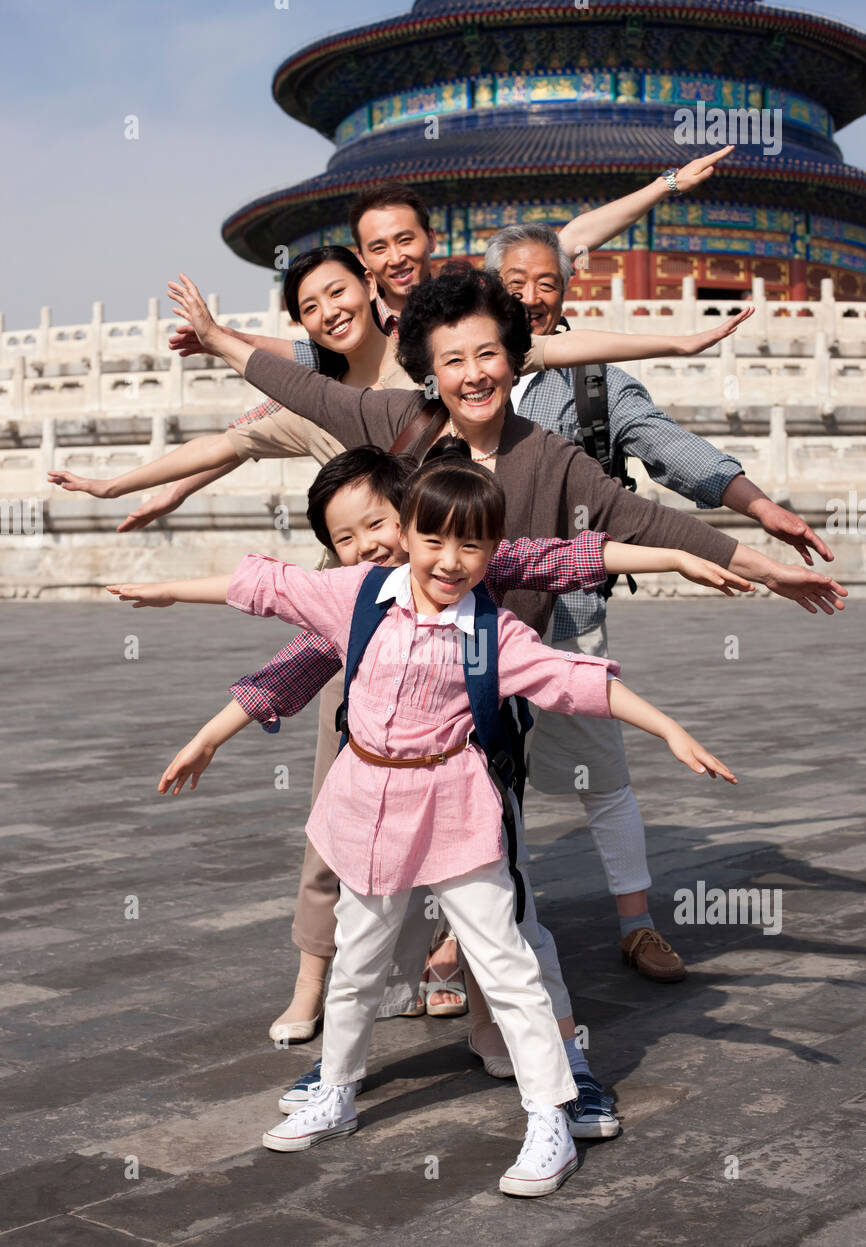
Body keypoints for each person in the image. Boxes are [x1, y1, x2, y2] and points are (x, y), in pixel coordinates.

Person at [106, 457, 738, 1197]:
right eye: (432, 539)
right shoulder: (361, 596)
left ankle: (548, 1117)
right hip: (367, 805)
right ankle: (337, 1090)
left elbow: (576, 680)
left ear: (492, 548)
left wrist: (670, 731)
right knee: (359, 963)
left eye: (471, 546)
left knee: (504, 963)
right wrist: (167, 592)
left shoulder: (492, 633)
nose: (450, 561)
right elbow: (270, 586)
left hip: (455, 806)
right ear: (406, 534)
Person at [487, 219, 840, 981]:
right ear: (489, 286)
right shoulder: (455, 374)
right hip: (466, 621)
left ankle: (636, 922)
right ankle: (469, 933)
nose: (532, 297)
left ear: (567, 291)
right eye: (516, 281)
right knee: (479, 781)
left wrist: (758, 505)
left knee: (603, 776)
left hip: (567, 614)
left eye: (548, 282)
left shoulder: (593, 382)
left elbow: (668, 446)